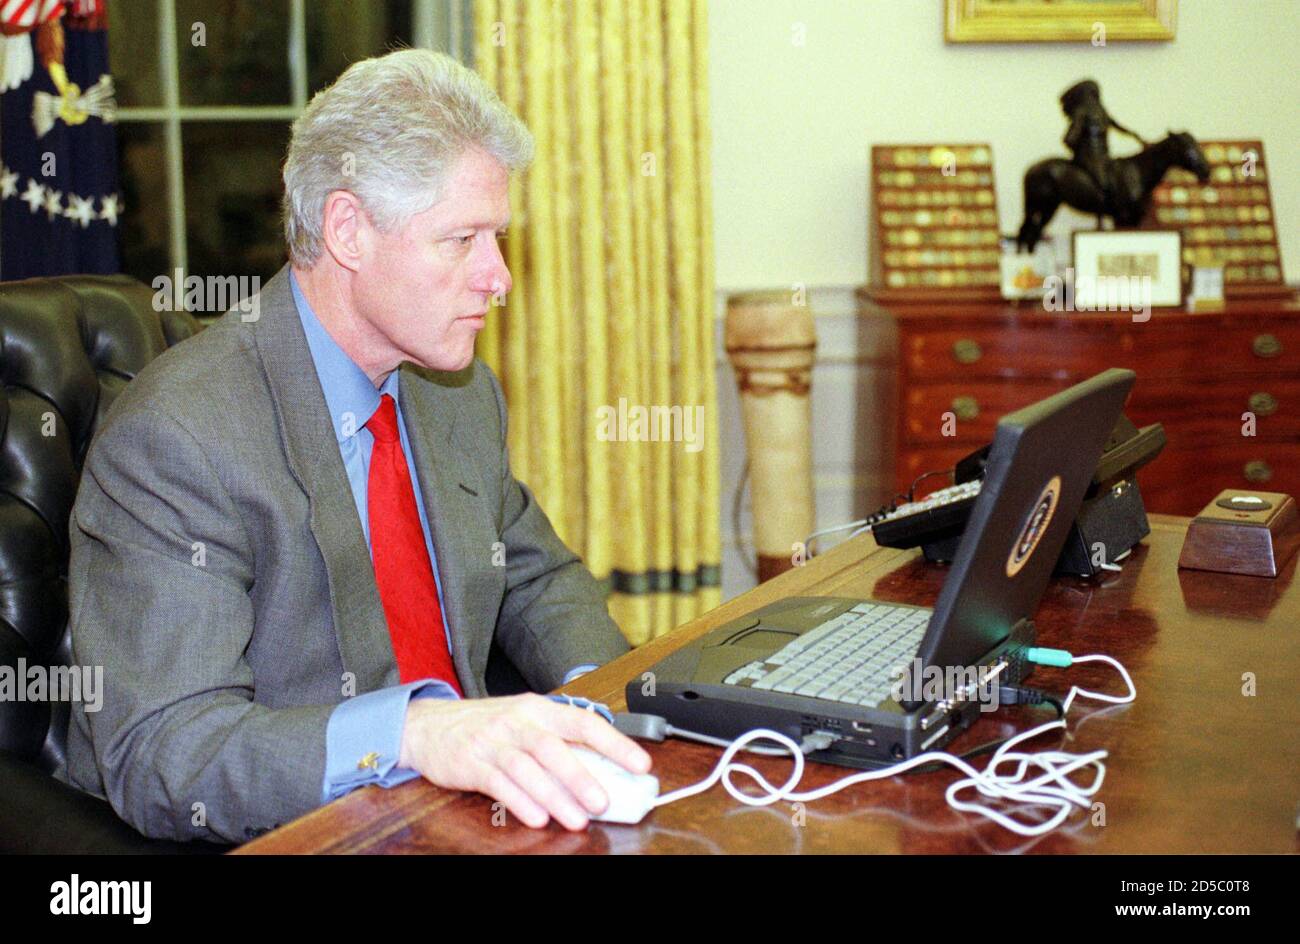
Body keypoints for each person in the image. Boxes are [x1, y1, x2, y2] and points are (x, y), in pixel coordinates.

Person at [61, 48, 650, 844]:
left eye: (498, 236)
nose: (500, 277)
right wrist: (413, 735)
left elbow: (535, 575)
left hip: (474, 813)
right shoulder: (177, 436)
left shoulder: (459, 393)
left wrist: (604, 707)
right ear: (347, 231)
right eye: (462, 238)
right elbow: (165, 750)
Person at [1060, 79, 1146, 204]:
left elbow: (1117, 125)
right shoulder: (1081, 112)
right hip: (1089, 157)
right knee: (1104, 183)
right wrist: (1078, 152)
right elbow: (1070, 138)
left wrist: (1136, 136)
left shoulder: (1101, 111)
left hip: (1104, 155)